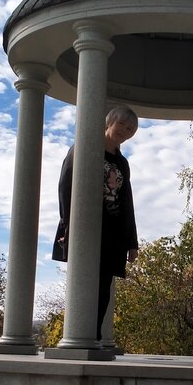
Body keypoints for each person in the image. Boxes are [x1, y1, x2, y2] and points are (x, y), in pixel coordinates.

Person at [52, 106, 139, 341]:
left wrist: (132, 242)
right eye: (122, 124)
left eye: (130, 129)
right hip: (85, 228)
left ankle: (95, 338)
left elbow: (126, 201)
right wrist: (68, 225)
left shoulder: (122, 163)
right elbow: (65, 187)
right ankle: (77, 336)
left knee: (103, 289)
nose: (125, 131)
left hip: (113, 234)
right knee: (83, 285)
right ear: (109, 122)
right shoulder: (82, 149)